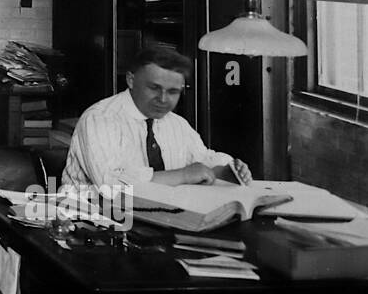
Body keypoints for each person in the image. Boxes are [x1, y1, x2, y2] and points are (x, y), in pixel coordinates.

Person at [62, 44, 253, 190]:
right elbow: (110, 185)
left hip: (148, 221)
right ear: (131, 80)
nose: (163, 99)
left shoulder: (177, 124)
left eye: (172, 92)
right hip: (86, 222)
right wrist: (184, 175)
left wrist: (226, 170)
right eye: (154, 88)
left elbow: (203, 158)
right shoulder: (100, 119)